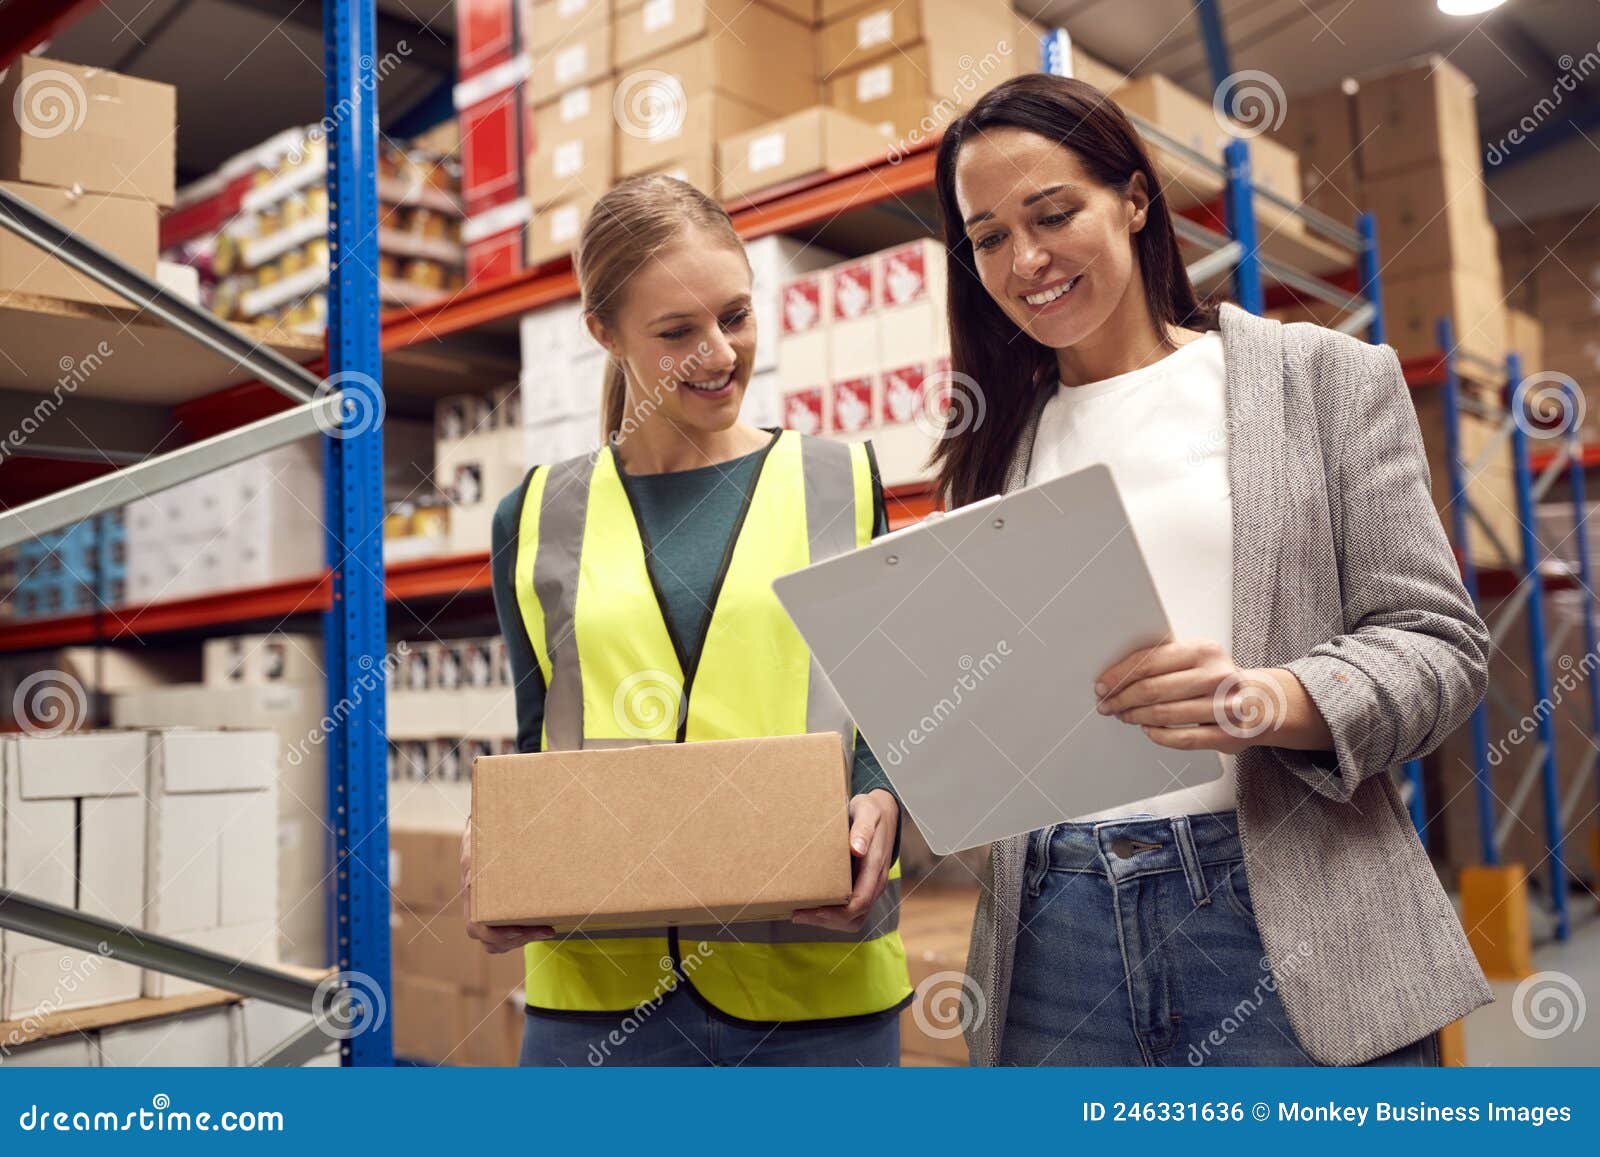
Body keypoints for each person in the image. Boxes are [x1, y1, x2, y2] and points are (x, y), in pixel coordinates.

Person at [928, 74, 1493, 1067]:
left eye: (1053, 213)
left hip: (1277, 903)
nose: (1025, 259)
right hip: (1056, 923)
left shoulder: (1320, 378)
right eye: (986, 237)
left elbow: (1438, 644)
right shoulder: (991, 447)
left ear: (1136, 201)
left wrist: (1273, 696)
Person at [463, 174, 912, 1067]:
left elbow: (885, 717)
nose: (719, 354)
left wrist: (883, 800)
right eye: (677, 332)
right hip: (598, 992)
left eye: (736, 317)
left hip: (812, 978)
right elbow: (537, 741)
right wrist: (502, 853)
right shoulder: (538, 513)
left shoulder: (839, 482)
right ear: (605, 333)